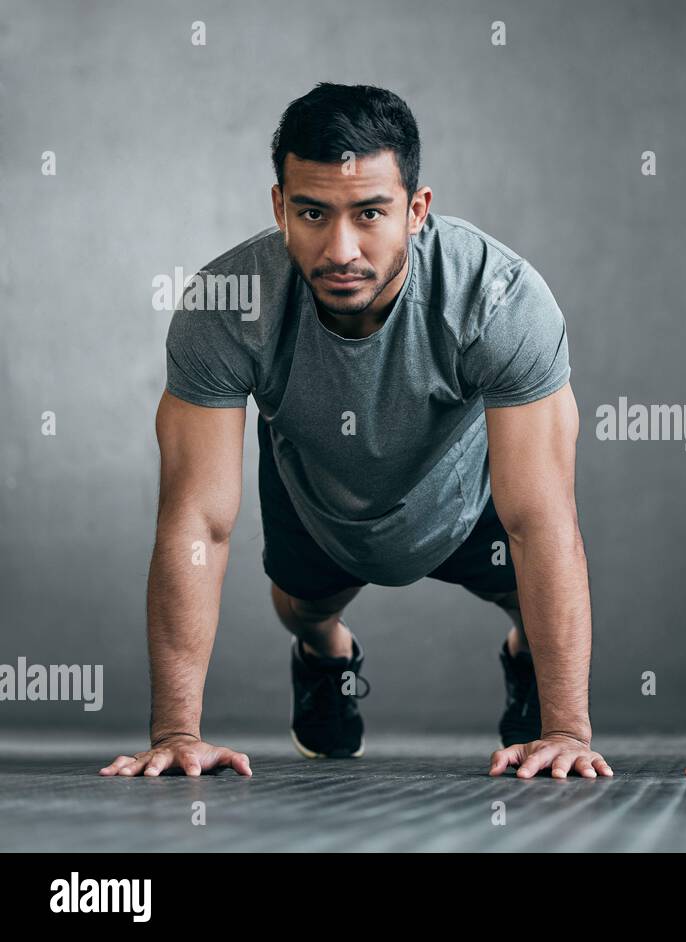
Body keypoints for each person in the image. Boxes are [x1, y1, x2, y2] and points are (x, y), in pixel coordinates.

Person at [101, 83, 610, 780]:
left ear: (417, 211)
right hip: (319, 495)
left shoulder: (498, 298)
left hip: (465, 493)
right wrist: (174, 733)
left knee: (532, 592)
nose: (341, 248)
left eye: (370, 213)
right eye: (313, 212)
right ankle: (325, 654)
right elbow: (196, 523)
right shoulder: (227, 306)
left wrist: (566, 730)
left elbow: (543, 521)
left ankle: (529, 662)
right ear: (280, 206)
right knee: (302, 610)